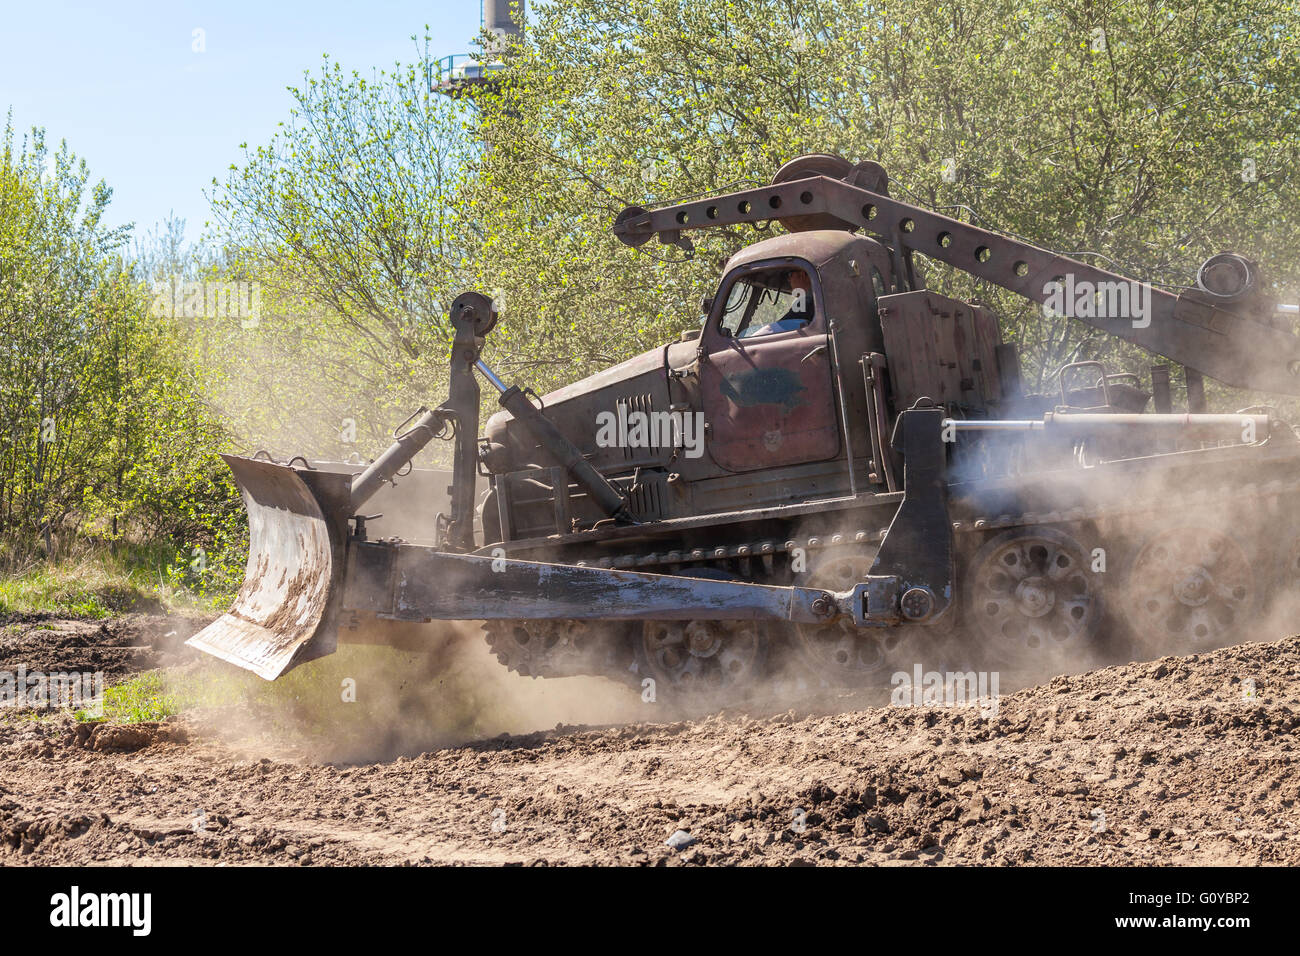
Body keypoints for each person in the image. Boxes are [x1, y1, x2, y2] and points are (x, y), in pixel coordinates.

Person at [741, 269, 815, 337]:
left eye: (790, 275)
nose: (789, 280)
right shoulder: (814, 301)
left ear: (802, 275)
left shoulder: (807, 303)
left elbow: (778, 328)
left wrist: (752, 339)